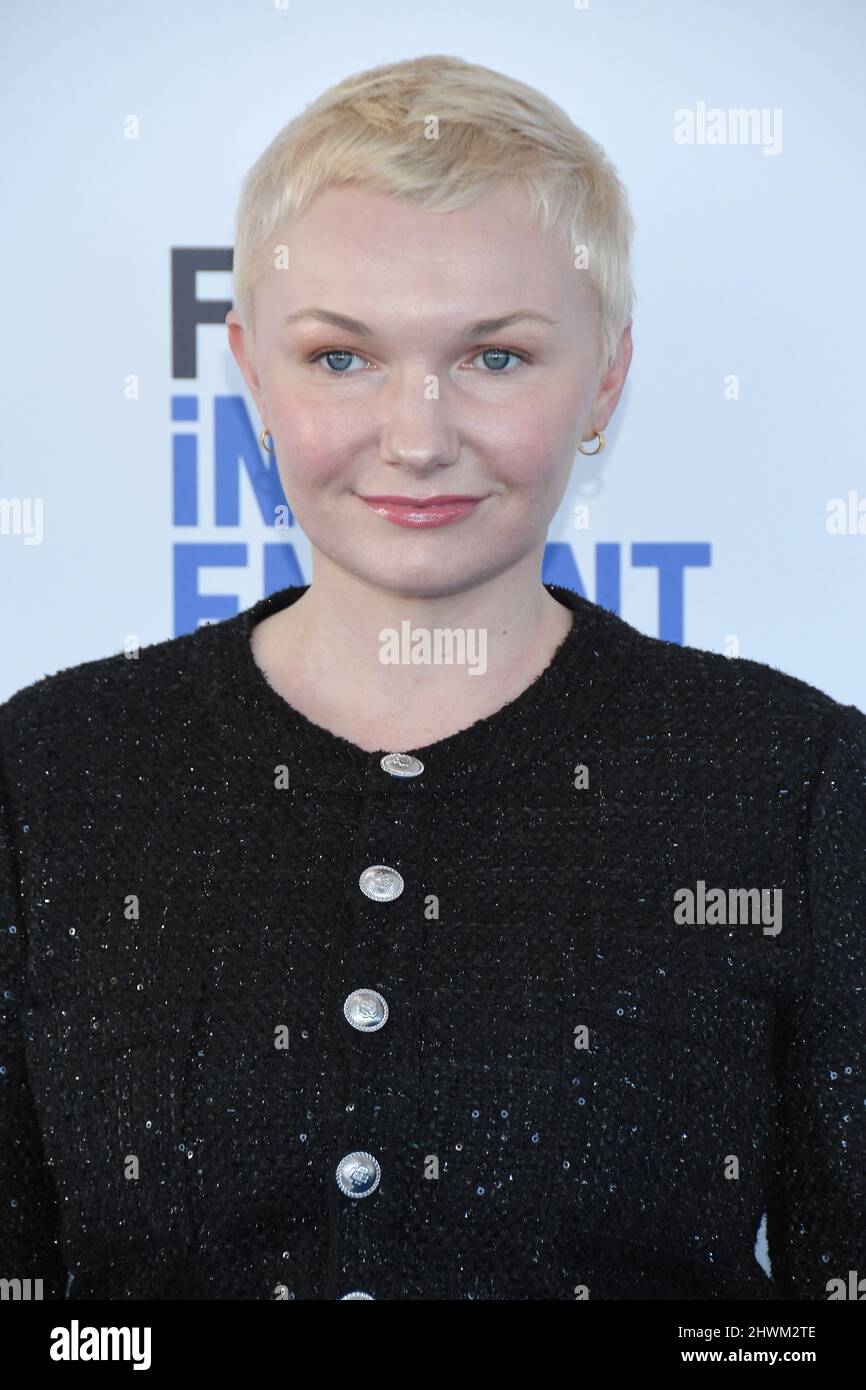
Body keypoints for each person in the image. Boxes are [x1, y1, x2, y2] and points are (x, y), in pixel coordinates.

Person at [1, 53, 863, 1302]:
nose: (416, 435)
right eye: (341, 358)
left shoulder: (791, 785)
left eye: (495, 358)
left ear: (604, 378)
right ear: (252, 371)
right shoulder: (53, 772)